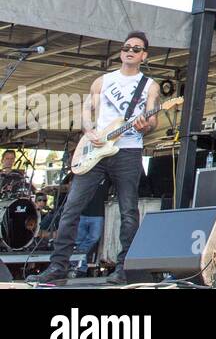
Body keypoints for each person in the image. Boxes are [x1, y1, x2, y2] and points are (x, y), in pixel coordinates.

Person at [29, 32, 160, 285]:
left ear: (144, 55)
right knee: (71, 208)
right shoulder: (103, 81)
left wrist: (146, 125)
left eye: (136, 48)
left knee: (128, 211)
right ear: (121, 52)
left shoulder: (150, 85)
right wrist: (89, 131)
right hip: (97, 149)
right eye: (126, 47)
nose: (130, 51)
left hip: (129, 150)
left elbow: (152, 119)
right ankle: (58, 267)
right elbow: (87, 110)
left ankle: (124, 269)